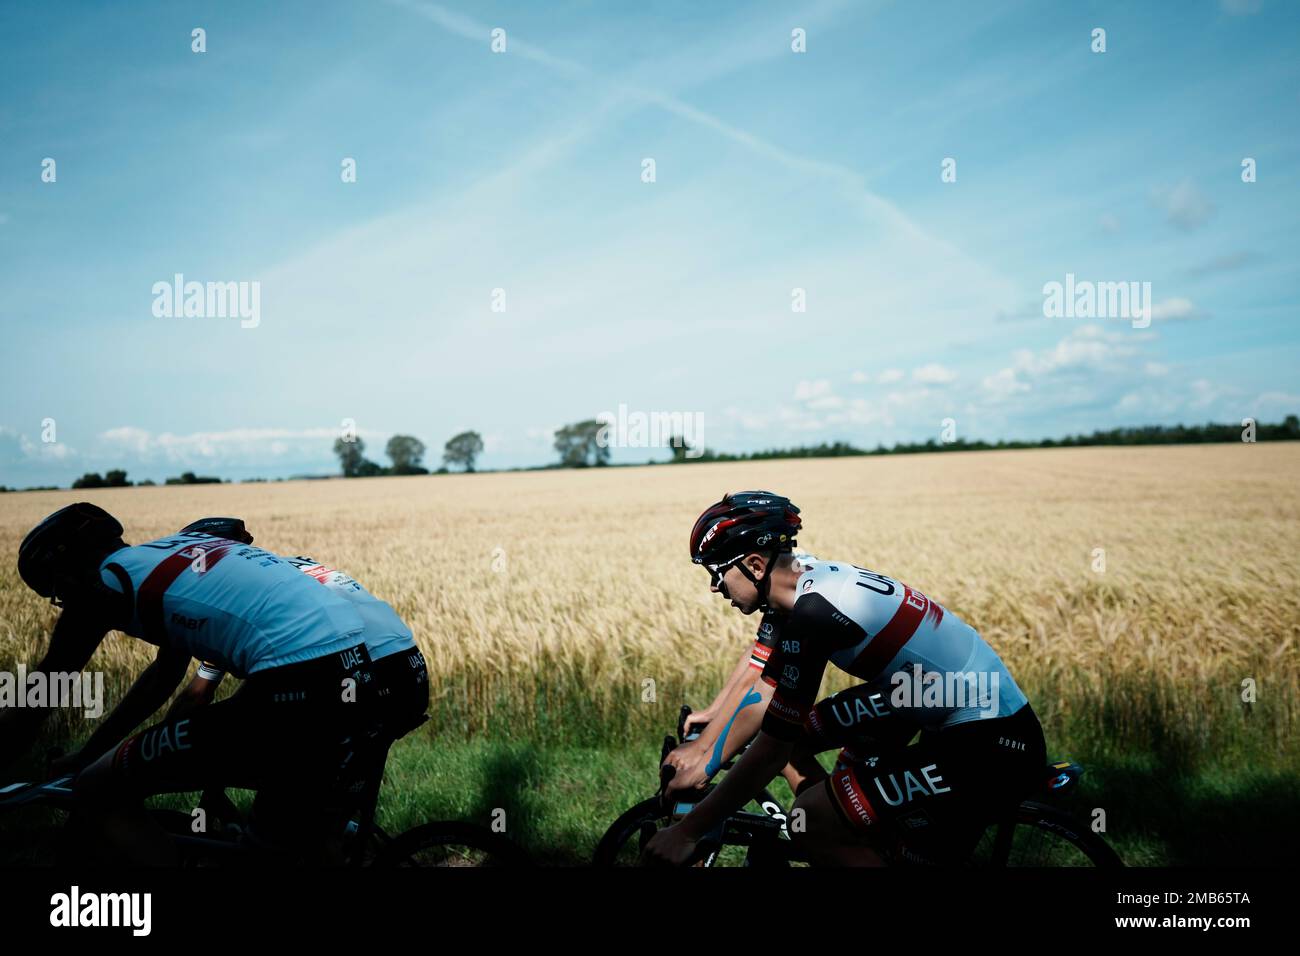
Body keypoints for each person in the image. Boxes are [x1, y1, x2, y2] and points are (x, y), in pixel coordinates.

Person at [0, 503, 423, 863]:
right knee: (299, 839)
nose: (63, 605)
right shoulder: (173, 556)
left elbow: (47, 686)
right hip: (361, 671)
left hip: (298, 684)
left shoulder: (105, 584)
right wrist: (92, 753)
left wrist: (72, 762)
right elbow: (163, 677)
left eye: (56, 593)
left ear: (69, 569)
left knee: (97, 788)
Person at [643, 491, 1046, 866]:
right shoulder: (801, 580)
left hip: (991, 739)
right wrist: (706, 756)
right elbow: (763, 690)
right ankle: (861, 832)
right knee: (810, 765)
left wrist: (688, 832)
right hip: (930, 705)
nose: (715, 587)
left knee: (811, 820)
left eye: (717, 572)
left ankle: (845, 830)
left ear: (754, 564)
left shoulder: (815, 614)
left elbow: (771, 749)